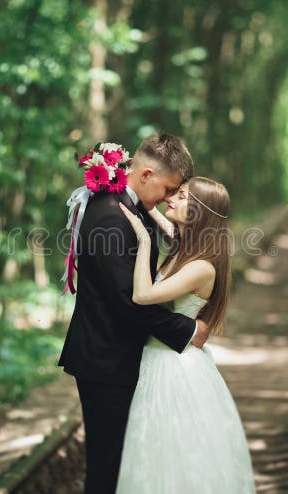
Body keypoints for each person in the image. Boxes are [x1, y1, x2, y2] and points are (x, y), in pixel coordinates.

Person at [58, 133, 210, 494]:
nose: (170, 198)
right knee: (107, 467)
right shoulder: (112, 217)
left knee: (125, 463)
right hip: (106, 360)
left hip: (118, 356)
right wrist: (187, 329)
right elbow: (128, 303)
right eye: (169, 189)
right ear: (145, 175)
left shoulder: (128, 205)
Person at [115, 176, 255, 493]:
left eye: (181, 195)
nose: (171, 199)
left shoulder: (201, 266)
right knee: (153, 456)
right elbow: (162, 218)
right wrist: (125, 186)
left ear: (199, 212)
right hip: (161, 357)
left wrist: (145, 242)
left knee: (173, 454)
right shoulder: (184, 249)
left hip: (174, 367)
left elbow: (142, 295)